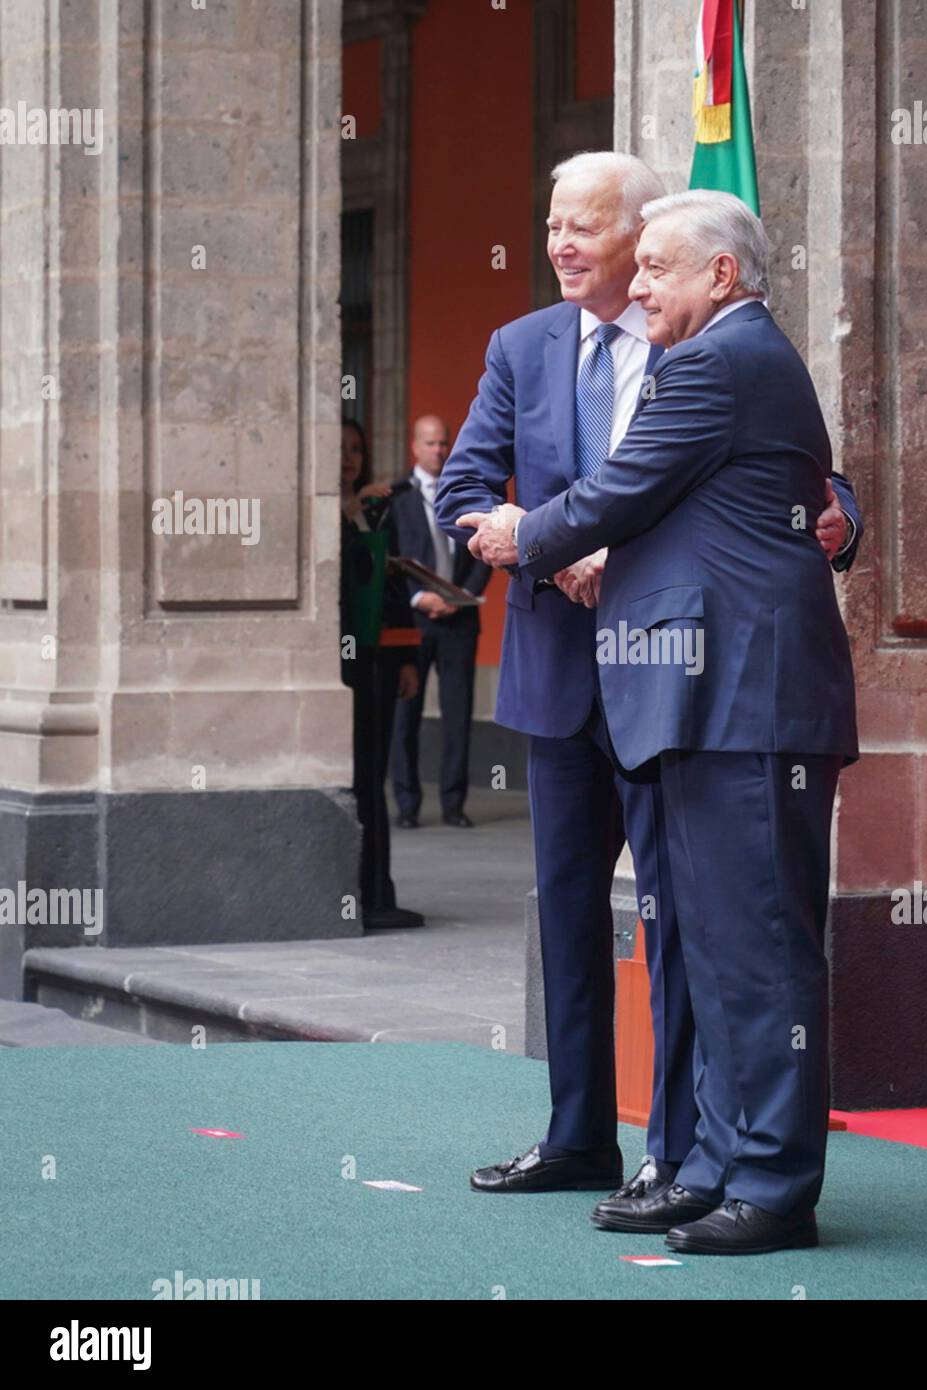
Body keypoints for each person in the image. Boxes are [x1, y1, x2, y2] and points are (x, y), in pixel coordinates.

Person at [435, 151, 860, 1228]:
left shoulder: (714, 361)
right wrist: (518, 532)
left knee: (748, 951)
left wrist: (531, 532)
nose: (633, 288)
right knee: (714, 944)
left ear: (719, 273)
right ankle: (714, 1163)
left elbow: (625, 491)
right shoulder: (638, 348)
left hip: (732, 697)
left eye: (653, 266)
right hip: (662, 694)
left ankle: (763, 1182)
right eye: (552, 224)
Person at [388, 415, 491, 829]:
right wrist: (418, 596)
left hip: (459, 621)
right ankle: (407, 805)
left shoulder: (462, 492)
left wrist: (459, 598)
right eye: (431, 443)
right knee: (405, 715)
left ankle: (453, 805)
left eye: (444, 443)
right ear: (415, 446)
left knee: (458, 715)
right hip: (413, 620)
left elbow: (483, 552)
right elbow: (391, 560)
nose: (439, 450)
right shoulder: (397, 498)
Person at [339, 418, 422, 930]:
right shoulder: (323, 513)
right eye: (340, 448)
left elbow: (394, 583)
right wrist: (345, 518)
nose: (349, 457)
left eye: (356, 449)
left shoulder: (378, 510)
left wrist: (409, 656)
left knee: (376, 773)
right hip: (343, 662)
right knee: (356, 775)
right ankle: (354, 893)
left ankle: (379, 890)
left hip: (382, 661)